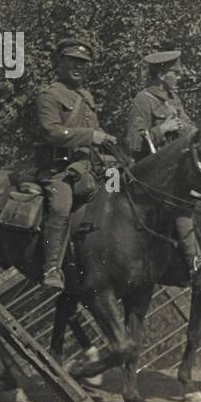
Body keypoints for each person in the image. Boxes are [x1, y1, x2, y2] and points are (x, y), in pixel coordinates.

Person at [124, 49, 201, 290]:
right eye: (174, 72)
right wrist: (161, 129)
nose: (179, 76)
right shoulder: (143, 100)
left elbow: (189, 130)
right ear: (160, 74)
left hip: (174, 172)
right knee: (180, 203)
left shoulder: (173, 100)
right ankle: (194, 261)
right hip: (151, 175)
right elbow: (132, 142)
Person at [34, 38, 115, 290]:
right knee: (61, 205)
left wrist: (106, 140)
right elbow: (52, 132)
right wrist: (91, 136)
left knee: (120, 190)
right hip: (58, 170)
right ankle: (52, 268)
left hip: (86, 167)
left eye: (83, 63)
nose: (79, 67)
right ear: (60, 62)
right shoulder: (49, 95)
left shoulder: (85, 97)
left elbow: (93, 130)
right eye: (73, 61)